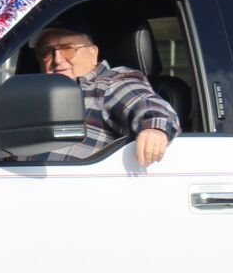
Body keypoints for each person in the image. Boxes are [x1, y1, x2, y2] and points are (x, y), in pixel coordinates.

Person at [34, 20, 179, 166]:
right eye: (47, 52)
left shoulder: (111, 82)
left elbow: (146, 104)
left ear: (93, 53)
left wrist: (154, 129)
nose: (57, 59)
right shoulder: (29, 93)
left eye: (68, 49)